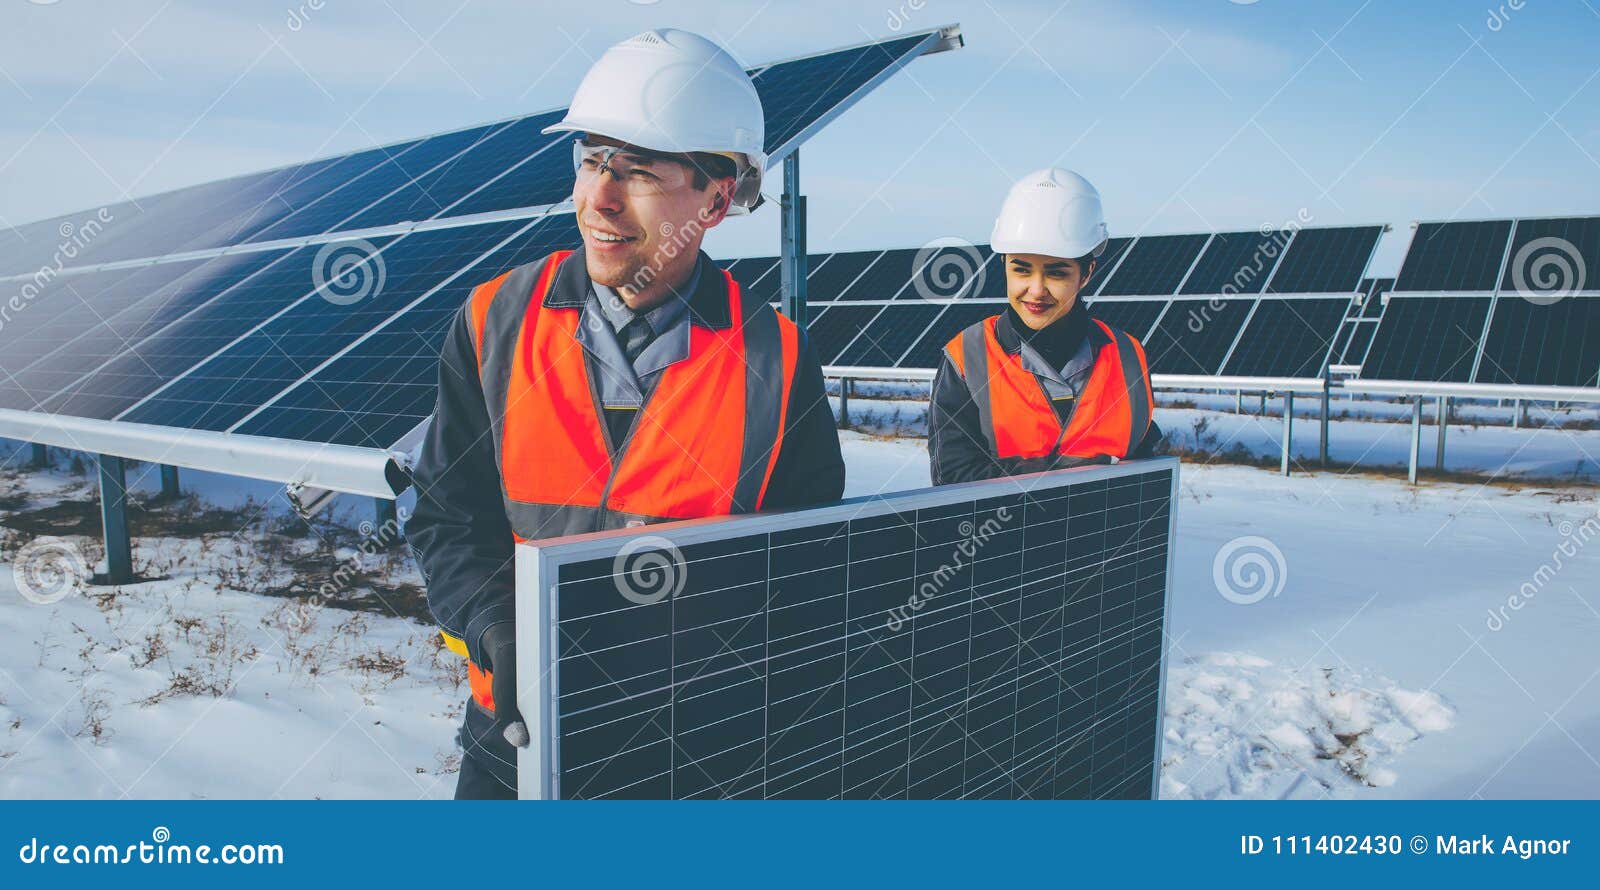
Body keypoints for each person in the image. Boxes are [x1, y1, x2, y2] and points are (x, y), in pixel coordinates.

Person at [406, 29, 846, 799]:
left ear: (716, 199)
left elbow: (807, 573)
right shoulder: (492, 322)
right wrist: (492, 622)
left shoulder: (776, 361)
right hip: (514, 745)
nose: (599, 198)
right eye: (590, 160)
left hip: (694, 763)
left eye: (638, 171)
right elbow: (446, 516)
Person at [930, 168, 1162, 485]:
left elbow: (1148, 468)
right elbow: (954, 480)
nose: (1036, 290)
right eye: (1022, 270)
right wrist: (1081, 472)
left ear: (1086, 273)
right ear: (1004, 265)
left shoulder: (1128, 355)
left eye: (1056, 273)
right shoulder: (966, 357)